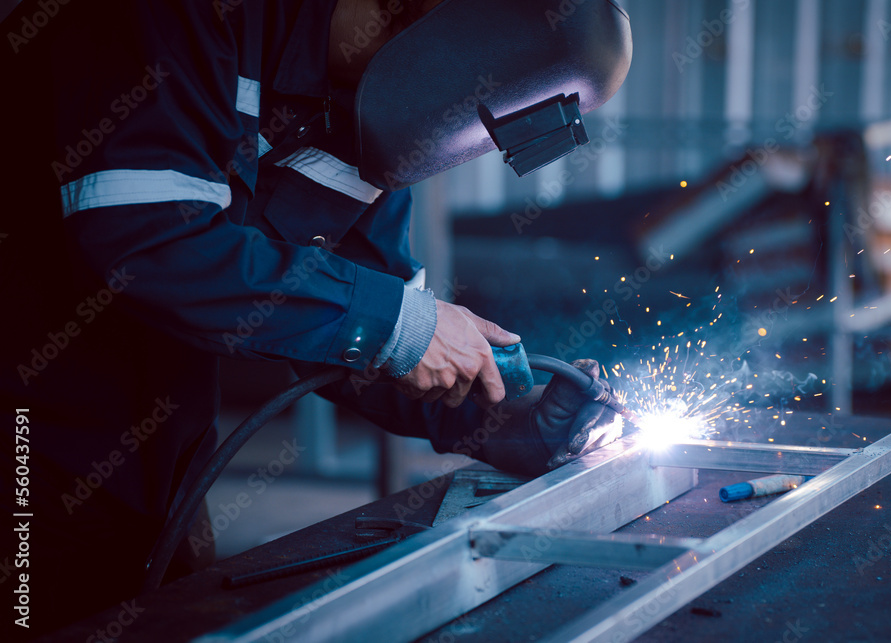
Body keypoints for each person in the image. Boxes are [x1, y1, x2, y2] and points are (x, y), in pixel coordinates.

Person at [0, 0, 631, 635]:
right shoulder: (180, 19)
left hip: (157, 453)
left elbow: (373, 336)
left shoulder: (366, 121)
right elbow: (151, 239)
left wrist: (516, 419)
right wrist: (402, 327)